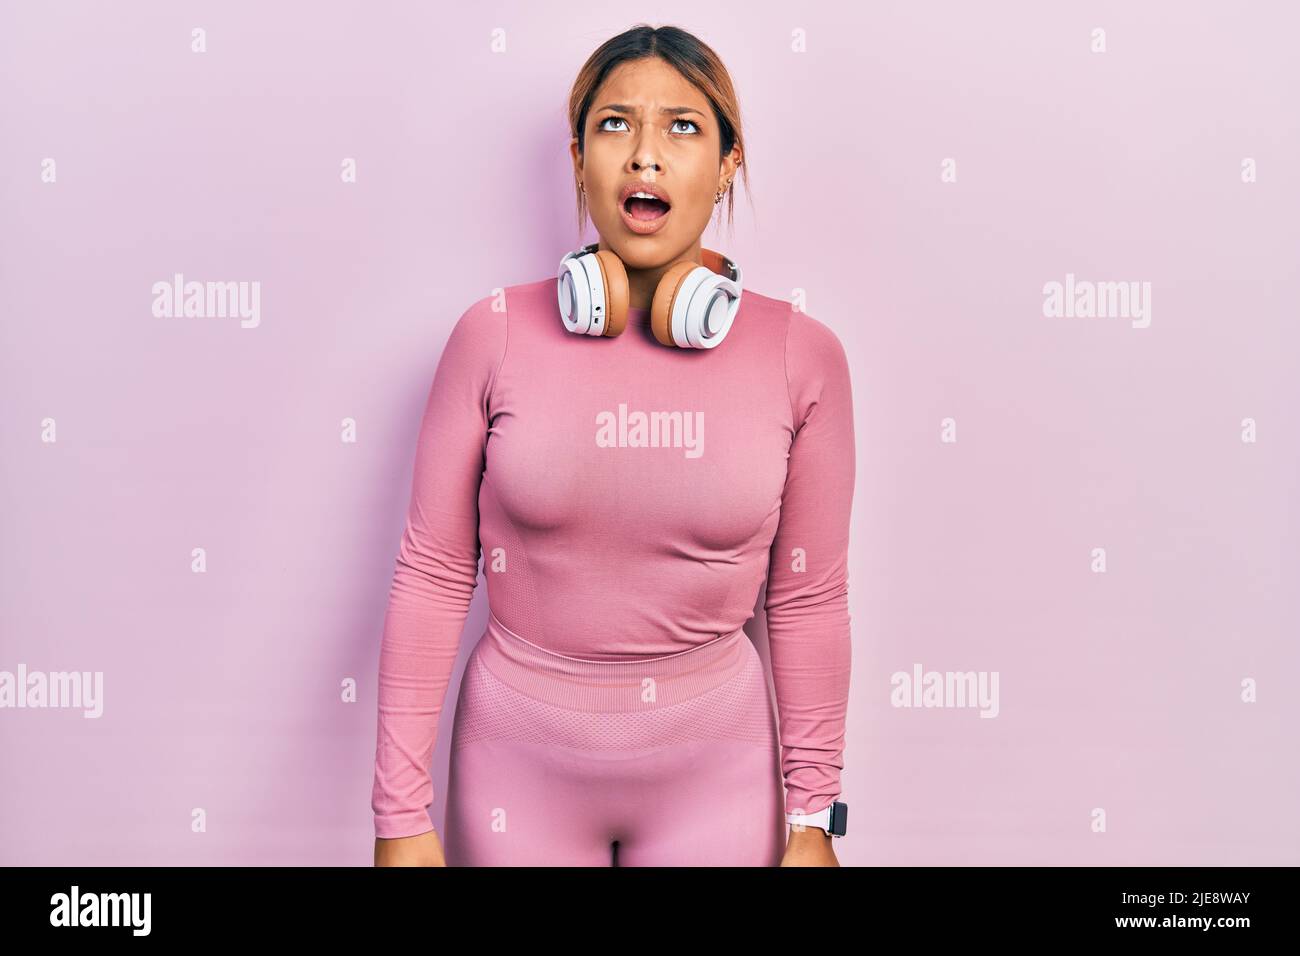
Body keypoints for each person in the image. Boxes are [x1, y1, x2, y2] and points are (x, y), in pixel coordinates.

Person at [372, 23, 854, 867]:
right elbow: (433, 572)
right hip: (516, 769)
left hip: (717, 776)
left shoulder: (801, 356)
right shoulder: (490, 337)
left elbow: (808, 600)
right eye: (614, 125)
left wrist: (811, 816)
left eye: (682, 126)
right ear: (579, 159)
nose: (644, 156)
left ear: (727, 163)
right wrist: (400, 818)